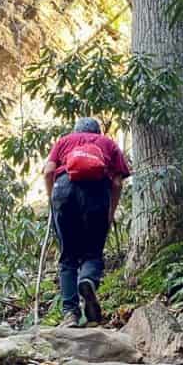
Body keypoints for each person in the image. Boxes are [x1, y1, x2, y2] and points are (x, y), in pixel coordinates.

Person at [43, 118, 131, 328]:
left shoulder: (64, 141)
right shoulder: (108, 144)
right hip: (96, 193)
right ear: (98, 132)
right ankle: (88, 281)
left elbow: (48, 171)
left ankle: (70, 314)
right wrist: (110, 212)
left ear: (76, 131)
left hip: (64, 191)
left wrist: (52, 202)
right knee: (92, 252)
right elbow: (117, 182)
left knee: (68, 258)